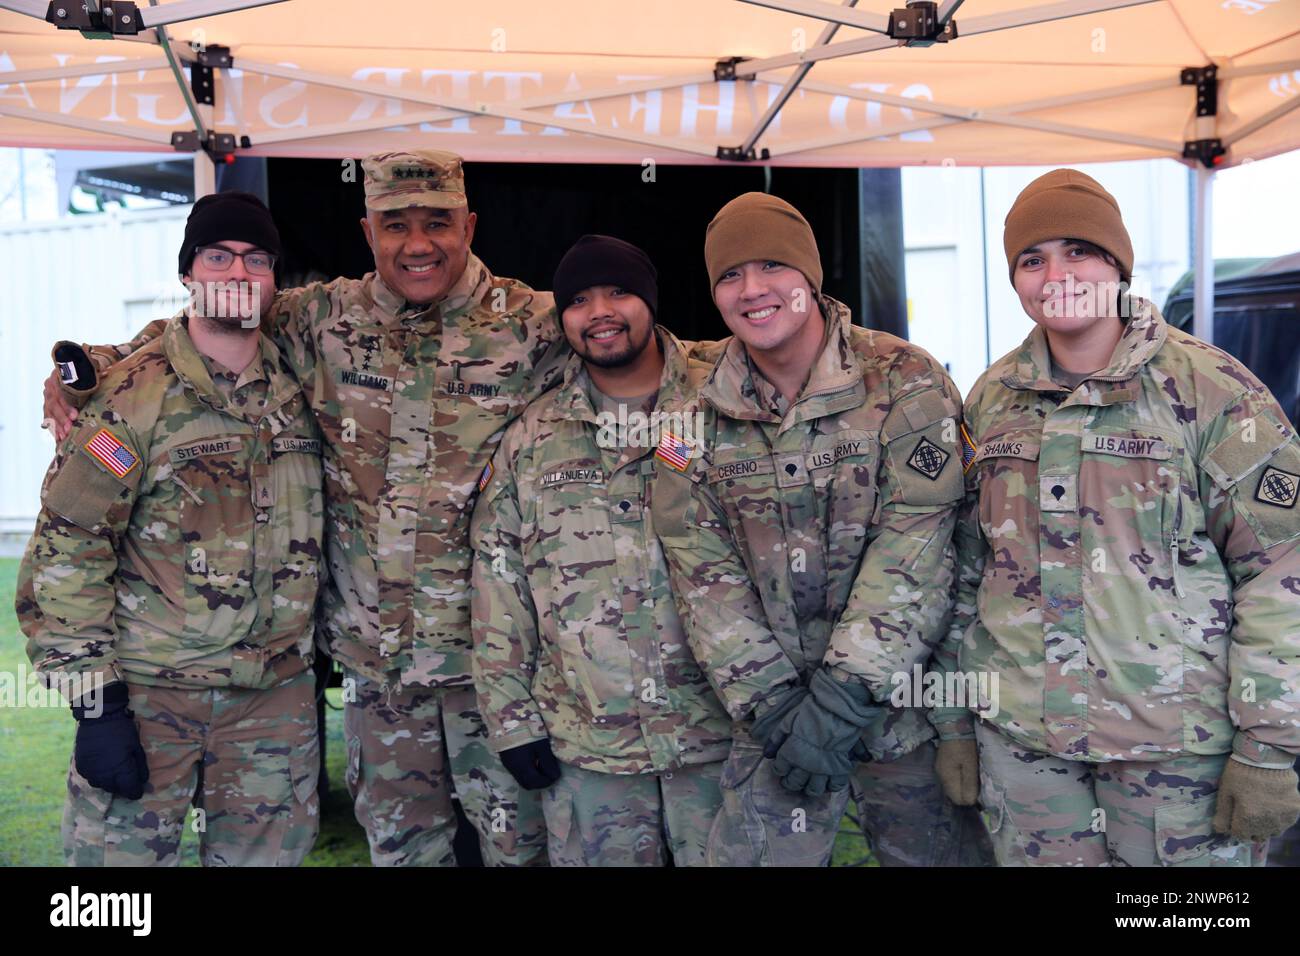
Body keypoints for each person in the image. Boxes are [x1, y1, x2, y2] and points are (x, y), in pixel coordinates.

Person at [39, 151, 563, 867]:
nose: (417, 243)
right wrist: (83, 373)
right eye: (395, 224)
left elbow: (645, 377)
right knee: (403, 852)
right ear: (367, 230)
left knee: (523, 848)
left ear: (469, 225)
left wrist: (683, 454)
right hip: (371, 675)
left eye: (437, 222)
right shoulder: (322, 319)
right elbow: (195, 327)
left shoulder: (535, 324)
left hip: (493, 669)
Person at [935, 168, 1300, 866]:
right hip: (1025, 743)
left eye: (1080, 251)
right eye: (1032, 259)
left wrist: (1269, 746)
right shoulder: (991, 400)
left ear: (1117, 265)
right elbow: (964, 568)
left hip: (1177, 752)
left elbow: (1281, 571)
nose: (1058, 274)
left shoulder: (1213, 390)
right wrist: (953, 720)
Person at [652, 192, 993, 866]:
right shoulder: (685, 418)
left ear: (810, 277)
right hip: (772, 723)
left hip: (903, 712)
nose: (753, 290)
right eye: (729, 275)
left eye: (773, 265)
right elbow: (698, 567)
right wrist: (776, 707)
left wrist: (842, 699)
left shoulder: (905, 379)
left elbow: (918, 547)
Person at [17, 192, 325, 865]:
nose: (238, 273)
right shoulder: (132, 395)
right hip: (155, 696)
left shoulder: (307, 386)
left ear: (276, 278)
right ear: (188, 273)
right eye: (218, 257)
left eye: (256, 259)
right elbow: (69, 548)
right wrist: (95, 704)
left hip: (274, 701)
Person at [471, 235, 732, 865]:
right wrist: (510, 720)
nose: (600, 312)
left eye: (619, 292)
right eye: (580, 300)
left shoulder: (725, 399)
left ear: (651, 300)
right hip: (593, 747)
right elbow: (496, 576)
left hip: (722, 733)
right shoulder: (534, 436)